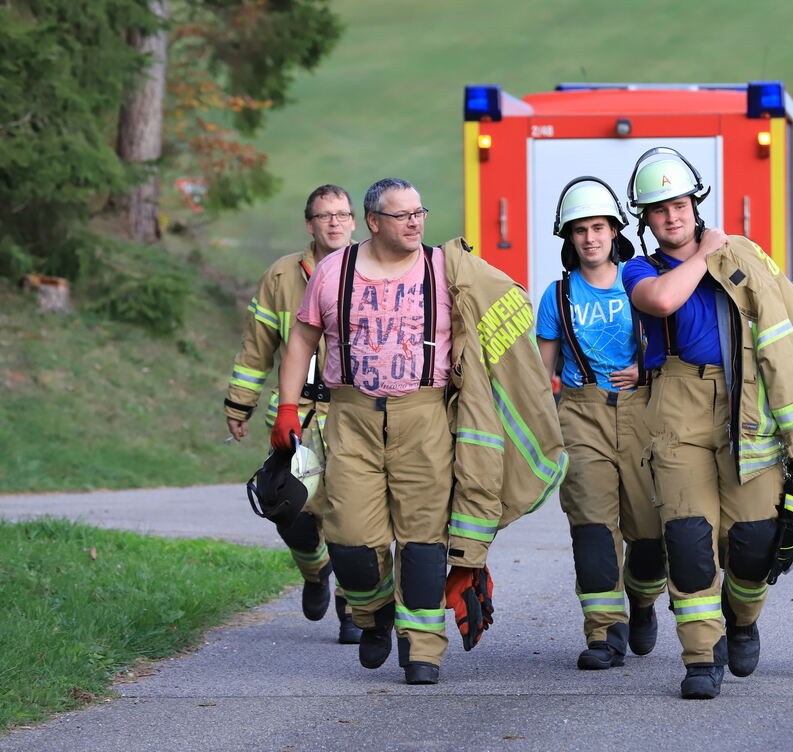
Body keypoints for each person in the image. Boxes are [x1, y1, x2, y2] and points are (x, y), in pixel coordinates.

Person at [272, 178, 566, 686]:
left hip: (426, 417)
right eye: (402, 214)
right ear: (374, 222)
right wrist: (287, 408)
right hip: (351, 418)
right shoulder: (332, 271)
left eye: (419, 212)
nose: (415, 221)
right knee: (351, 543)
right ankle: (374, 615)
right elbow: (302, 338)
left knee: (423, 542)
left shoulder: (447, 271)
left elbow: (507, 304)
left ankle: (423, 649)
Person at [622, 148, 793, 699]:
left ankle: (741, 619)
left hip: (748, 408)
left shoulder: (745, 258)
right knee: (689, 539)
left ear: (695, 204)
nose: (672, 217)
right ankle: (700, 657)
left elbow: (790, 327)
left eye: (679, 205)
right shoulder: (640, 270)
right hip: (677, 404)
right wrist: (710, 252)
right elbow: (665, 300)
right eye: (658, 209)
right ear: (645, 219)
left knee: (756, 541)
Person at [535, 177, 666, 671]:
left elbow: (672, 350)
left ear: (615, 231)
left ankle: (644, 600)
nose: (590, 238)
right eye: (579, 231)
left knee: (651, 531)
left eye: (598, 228)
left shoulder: (642, 281)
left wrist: (647, 368)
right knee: (592, 527)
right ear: (568, 238)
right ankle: (604, 633)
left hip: (643, 412)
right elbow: (540, 374)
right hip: (580, 412)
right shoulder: (558, 295)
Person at [222, 183, 360, 644]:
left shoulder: (374, 269)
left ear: (356, 222)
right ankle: (315, 570)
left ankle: (351, 607)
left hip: (352, 412)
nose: (335, 222)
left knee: (351, 513)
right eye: (325, 215)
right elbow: (256, 348)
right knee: (290, 510)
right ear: (310, 224)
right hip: (295, 412)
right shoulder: (280, 276)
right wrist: (239, 404)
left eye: (342, 214)